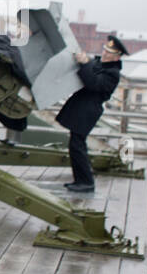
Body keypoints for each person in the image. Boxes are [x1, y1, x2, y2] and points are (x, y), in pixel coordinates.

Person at [55, 35, 129, 193]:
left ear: (117, 56)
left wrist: (86, 63)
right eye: (105, 50)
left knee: (78, 146)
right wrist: (84, 60)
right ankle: (80, 180)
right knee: (76, 145)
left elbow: (93, 83)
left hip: (88, 110)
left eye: (109, 52)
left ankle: (86, 182)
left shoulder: (113, 73)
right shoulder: (103, 65)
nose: (105, 53)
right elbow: (91, 69)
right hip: (83, 108)